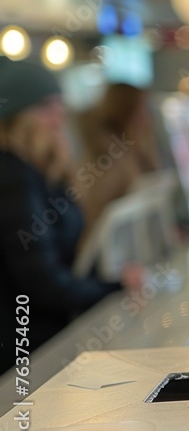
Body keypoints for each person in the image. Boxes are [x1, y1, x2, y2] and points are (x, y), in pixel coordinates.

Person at [0, 59, 143, 374]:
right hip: (23, 351)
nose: (59, 115)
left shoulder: (38, 169)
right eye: (46, 107)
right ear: (18, 117)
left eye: (59, 104)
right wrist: (112, 288)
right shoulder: (13, 176)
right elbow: (41, 278)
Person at [74, 82, 159, 236]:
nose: (146, 116)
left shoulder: (134, 146)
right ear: (126, 110)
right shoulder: (105, 153)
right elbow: (97, 211)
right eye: (142, 108)